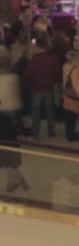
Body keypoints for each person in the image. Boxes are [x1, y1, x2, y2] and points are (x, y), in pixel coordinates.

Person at [24, 38, 61, 140]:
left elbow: (28, 76)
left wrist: (29, 84)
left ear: (37, 47)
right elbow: (58, 73)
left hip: (36, 89)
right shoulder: (53, 59)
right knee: (50, 111)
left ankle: (36, 134)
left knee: (36, 112)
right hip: (49, 88)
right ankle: (51, 132)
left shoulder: (33, 60)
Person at [0, 53, 27, 192]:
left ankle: (15, 181)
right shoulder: (13, 78)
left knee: (6, 156)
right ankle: (17, 179)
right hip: (11, 115)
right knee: (9, 156)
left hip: (4, 123)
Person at [61, 51, 79, 142]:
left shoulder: (65, 66)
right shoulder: (75, 71)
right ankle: (71, 135)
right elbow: (77, 86)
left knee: (69, 117)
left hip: (67, 95)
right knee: (72, 117)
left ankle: (69, 133)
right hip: (73, 98)